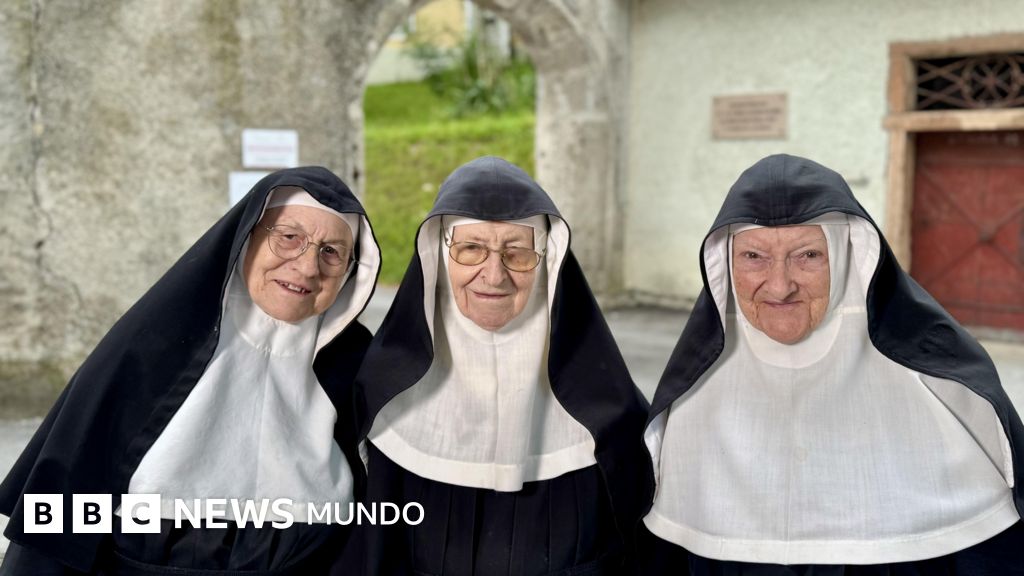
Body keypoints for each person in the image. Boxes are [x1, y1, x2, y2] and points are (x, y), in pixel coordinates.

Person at [641, 154, 1024, 574]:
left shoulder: (941, 392)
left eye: (807, 255)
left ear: (846, 254)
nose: (780, 285)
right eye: (753, 257)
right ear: (726, 263)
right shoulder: (689, 404)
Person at [0, 166, 381, 575]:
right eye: (289, 238)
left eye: (331, 252)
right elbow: (70, 492)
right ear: (247, 235)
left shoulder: (358, 363)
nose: (307, 267)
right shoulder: (157, 344)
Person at [344, 156, 653, 575]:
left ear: (548, 262)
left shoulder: (613, 416)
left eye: (518, 252)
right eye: (471, 249)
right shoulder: (379, 405)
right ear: (438, 257)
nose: (494, 276)